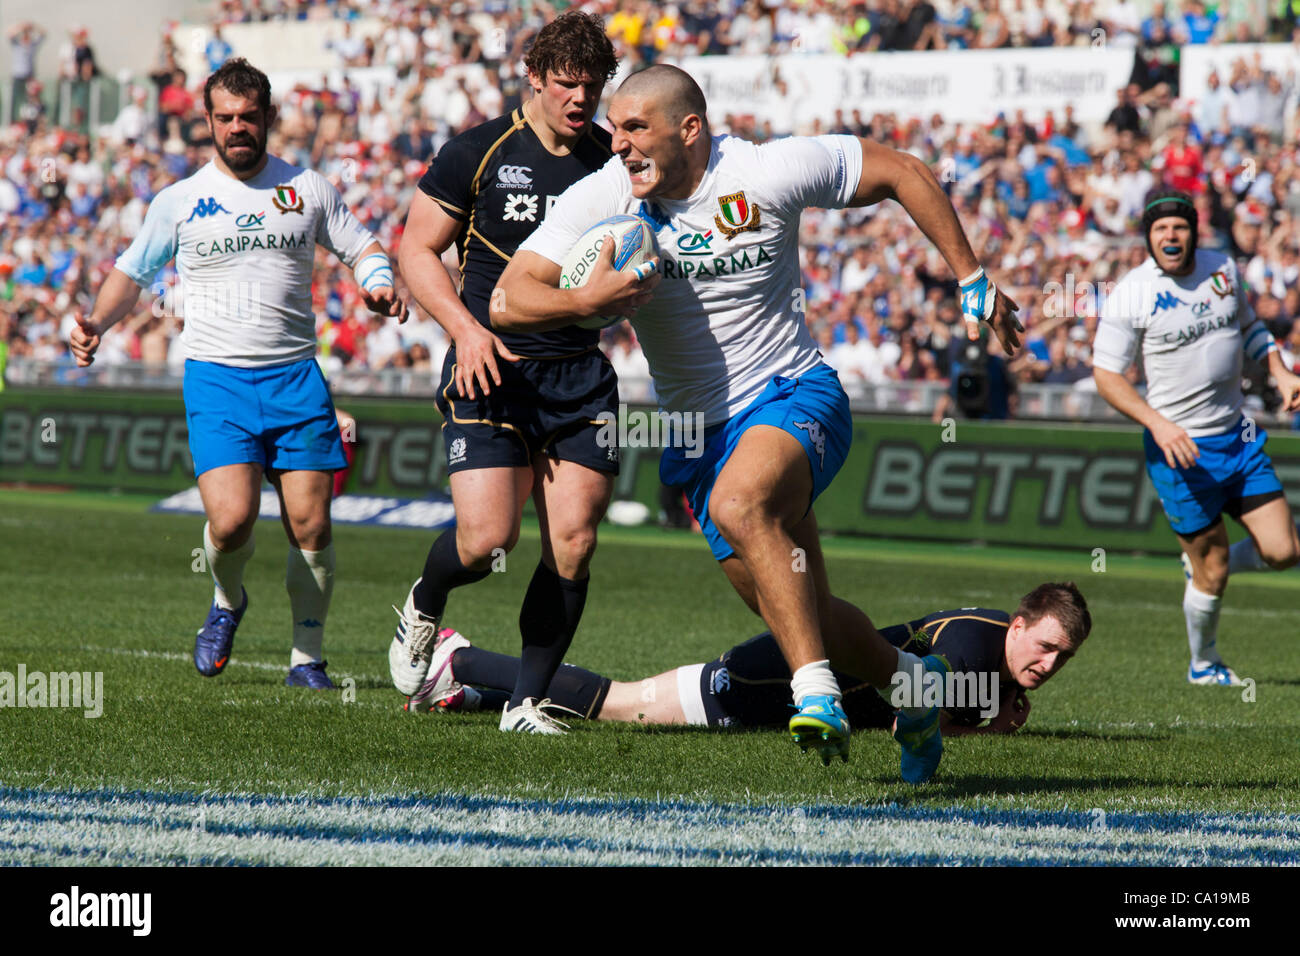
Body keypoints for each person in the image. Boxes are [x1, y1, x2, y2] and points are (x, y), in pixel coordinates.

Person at [492, 64, 1023, 779]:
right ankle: (915, 686)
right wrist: (589, 298)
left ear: (690, 129)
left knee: (740, 505)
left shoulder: (769, 170)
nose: (616, 143)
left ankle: (817, 696)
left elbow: (904, 171)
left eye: (634, 128)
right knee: (806, 610)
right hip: (698, 437)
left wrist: (970, 275)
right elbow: (508, 301)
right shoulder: (606, 196)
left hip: (794, 394)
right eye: (613, 130)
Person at [69, 58, 405, 688]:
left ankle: (307, 659)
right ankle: (227, 603)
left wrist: (379, 283)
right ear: (208, 122)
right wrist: (95, 322)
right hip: (217, 379)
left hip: (295, 379)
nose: (237, 128)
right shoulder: (179, 201)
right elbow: (131, 274)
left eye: (249, 117)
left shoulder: (308, 188)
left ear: (269, 118)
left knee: (311, 524)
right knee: (230, 522)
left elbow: (362, 246)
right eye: (225, 118)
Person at [388, 12, 624, 735]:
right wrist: (465, 331)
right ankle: (426, 601)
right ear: (533, 77)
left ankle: (523, 704)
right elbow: (415, 250)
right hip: (491, 369)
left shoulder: (613, 162)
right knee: (488, 540)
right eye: (565, 84)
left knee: (574, 542)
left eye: (592, 85)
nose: (580, 99)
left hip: (580, 376)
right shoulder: (477, 152)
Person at [409, 583, 1090, 744]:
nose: (1050, 662)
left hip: (794, 680)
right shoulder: (973, 651)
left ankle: (469, 691)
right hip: (774, 678)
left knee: (629, 701)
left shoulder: (990, 651)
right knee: (625, 705)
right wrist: (986, 726)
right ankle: (460, 660)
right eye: (1045, 644)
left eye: (1063, 656)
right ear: (1020, 621)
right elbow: (911, 725)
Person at [1093, 190, 1300, 686]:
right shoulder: (1132, 292)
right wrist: (1158, 424)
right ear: (1148, 237)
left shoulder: (1222, 269)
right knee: (1215, 570)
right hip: (1179, 450)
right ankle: (1203, 664)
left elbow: (1248, 326)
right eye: (1160, 229)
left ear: (1192, 232)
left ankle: (1201, 562)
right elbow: (1107, 375)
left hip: (1238, 439)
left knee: (1285, 551)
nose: (1170, 235)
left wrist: (1281, 370)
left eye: (1179, 227)